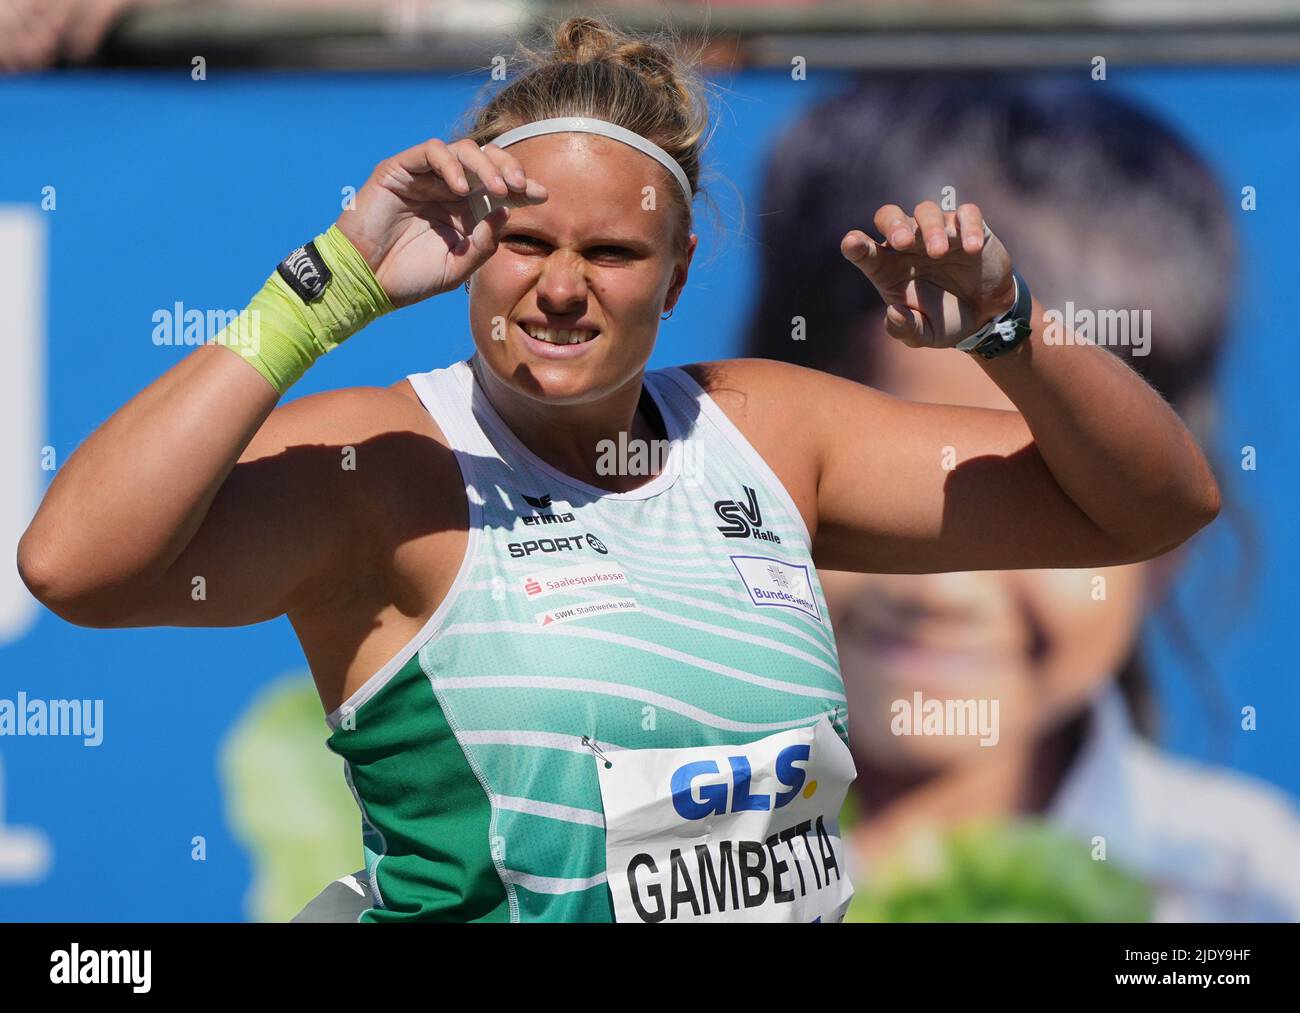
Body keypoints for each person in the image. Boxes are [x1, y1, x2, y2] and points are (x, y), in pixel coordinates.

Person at [15, 18, 1221, 923]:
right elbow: (73, 565)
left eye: (610, 251)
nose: (557, 285)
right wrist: (328, 283)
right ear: (469, 244)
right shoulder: (383, 464)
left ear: (681, 270)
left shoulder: (766, 429)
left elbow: (1155, 505)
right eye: (524, 239)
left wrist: (1006, 324)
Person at [744, 73, 1300, 921]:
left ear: (1165, 535)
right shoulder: (636, 854)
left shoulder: (1245, 886)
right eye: (886, 489)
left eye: (1053, 501)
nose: (944, 589)